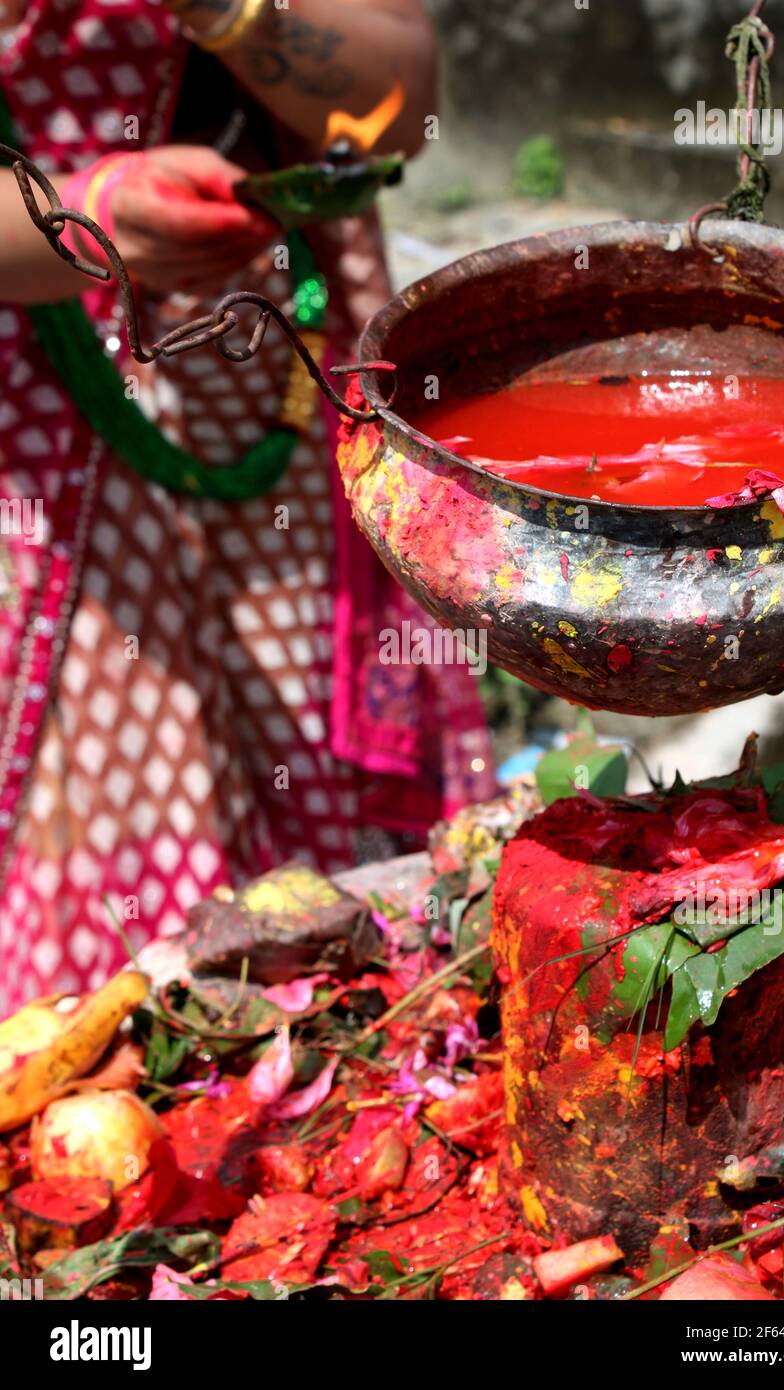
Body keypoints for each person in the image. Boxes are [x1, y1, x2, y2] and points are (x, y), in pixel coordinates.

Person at [0, 0, 494, 1011]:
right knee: (101, 1001)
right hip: (32, 453)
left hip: (263, 380)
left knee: (323, 938)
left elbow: (397, 108)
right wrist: (89, 209)